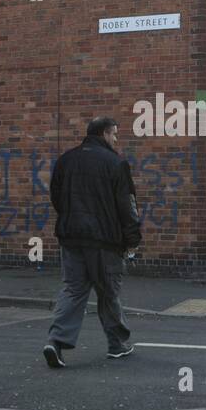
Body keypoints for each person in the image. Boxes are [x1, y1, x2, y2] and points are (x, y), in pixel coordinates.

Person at [43, 116, 142, 367]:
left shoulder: (66, 160)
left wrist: (72, 219)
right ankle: (117, 344)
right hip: (105, 241)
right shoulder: (115, 163)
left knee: (73, 289)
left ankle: (55, 341)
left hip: (71, 237)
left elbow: (56, 197)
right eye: (115, 134)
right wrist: (132, 239)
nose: (116, 139)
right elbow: (127, 207)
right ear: (105, 134)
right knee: (108, 291)